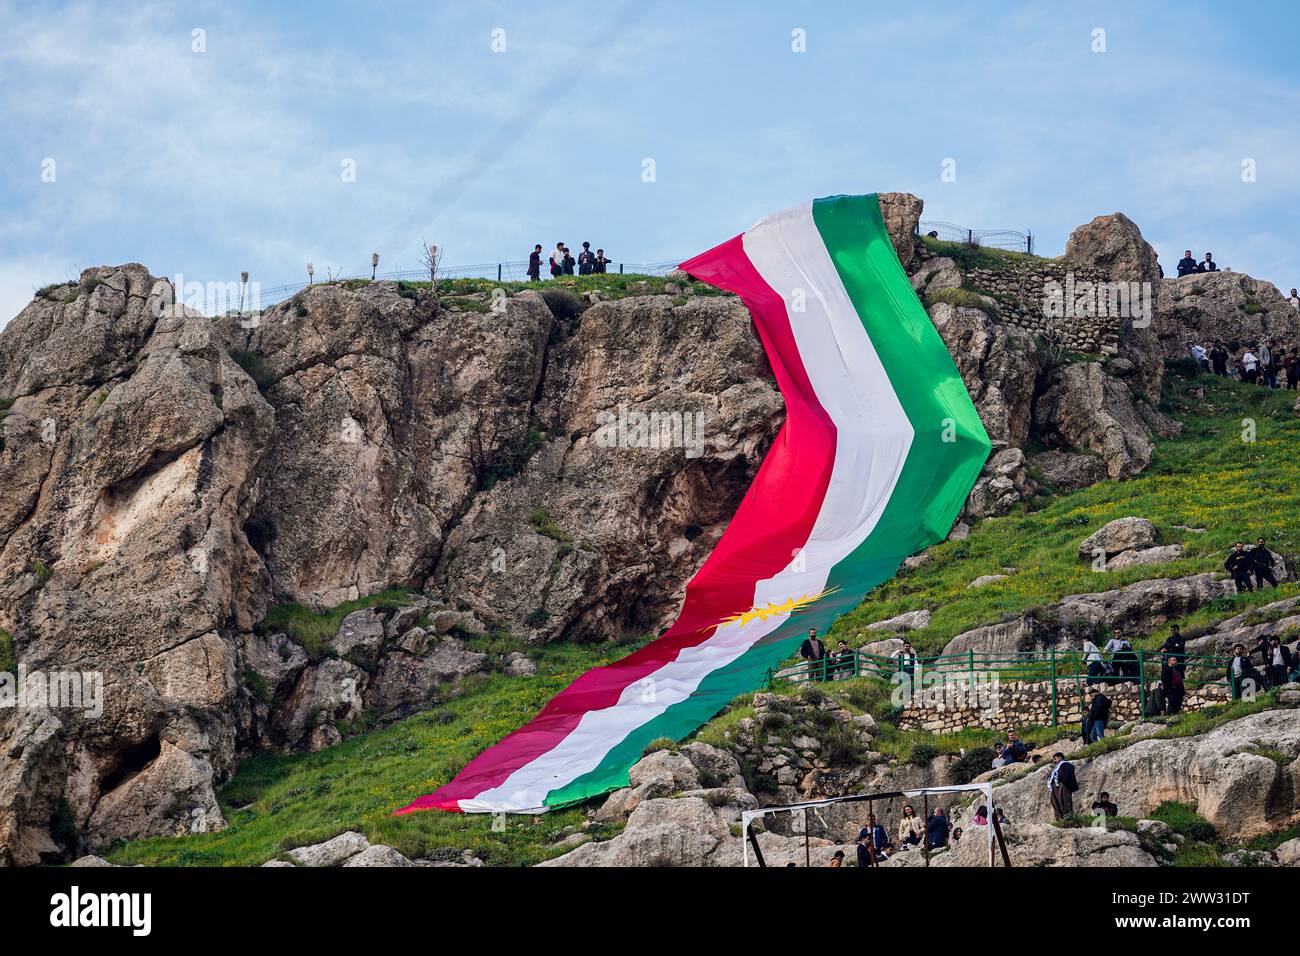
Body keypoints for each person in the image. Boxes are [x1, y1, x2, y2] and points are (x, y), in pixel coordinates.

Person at [1048, 753, 1079, 820]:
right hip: (1055, 786)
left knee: (1065, 801)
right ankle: (1060, 820)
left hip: (1063, 784)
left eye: (1055, 758)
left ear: (1060, 757)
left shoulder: (1066, 764)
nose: (1054, 760)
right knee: (1055, 802)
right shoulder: (1056, 767)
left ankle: (1068, 818)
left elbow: (1068, 774)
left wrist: (1063, 780)